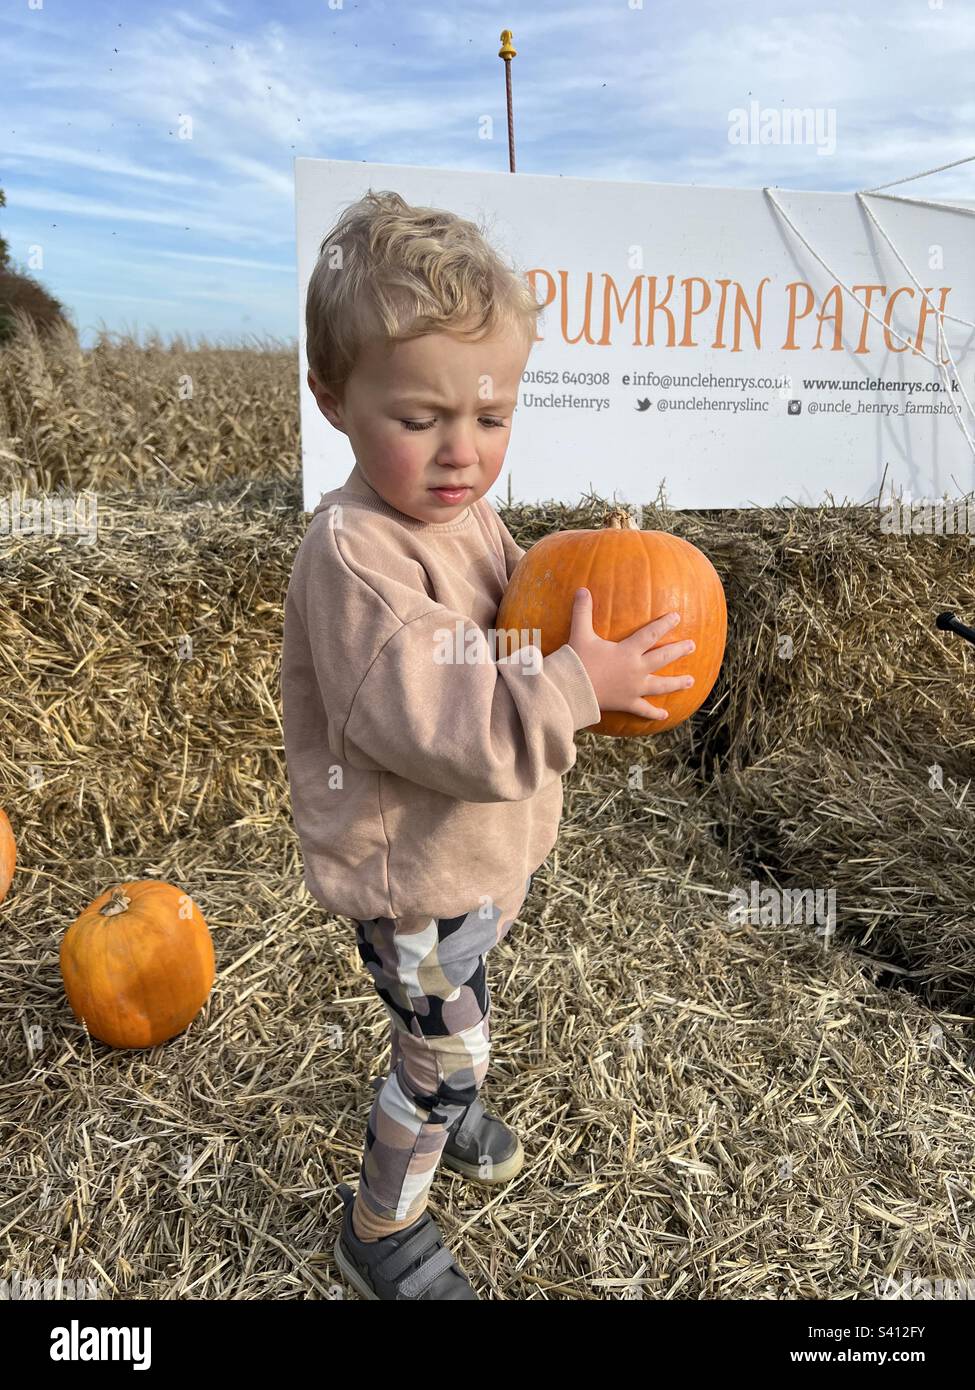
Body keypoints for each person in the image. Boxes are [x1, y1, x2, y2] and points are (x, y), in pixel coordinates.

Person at [281, 189, 696, 1299]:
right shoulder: (357, 556)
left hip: (470, 861)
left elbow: (514, 605)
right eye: (420, 420)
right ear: (333, 397)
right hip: (409, 873)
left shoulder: (459, 513)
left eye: (492, 416)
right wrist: (568, 685)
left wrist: (588, 612)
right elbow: (441, 714)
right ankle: (380, 1229)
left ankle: (444, 1098)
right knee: (445, 1044)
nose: (461, 452)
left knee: (464, 999)